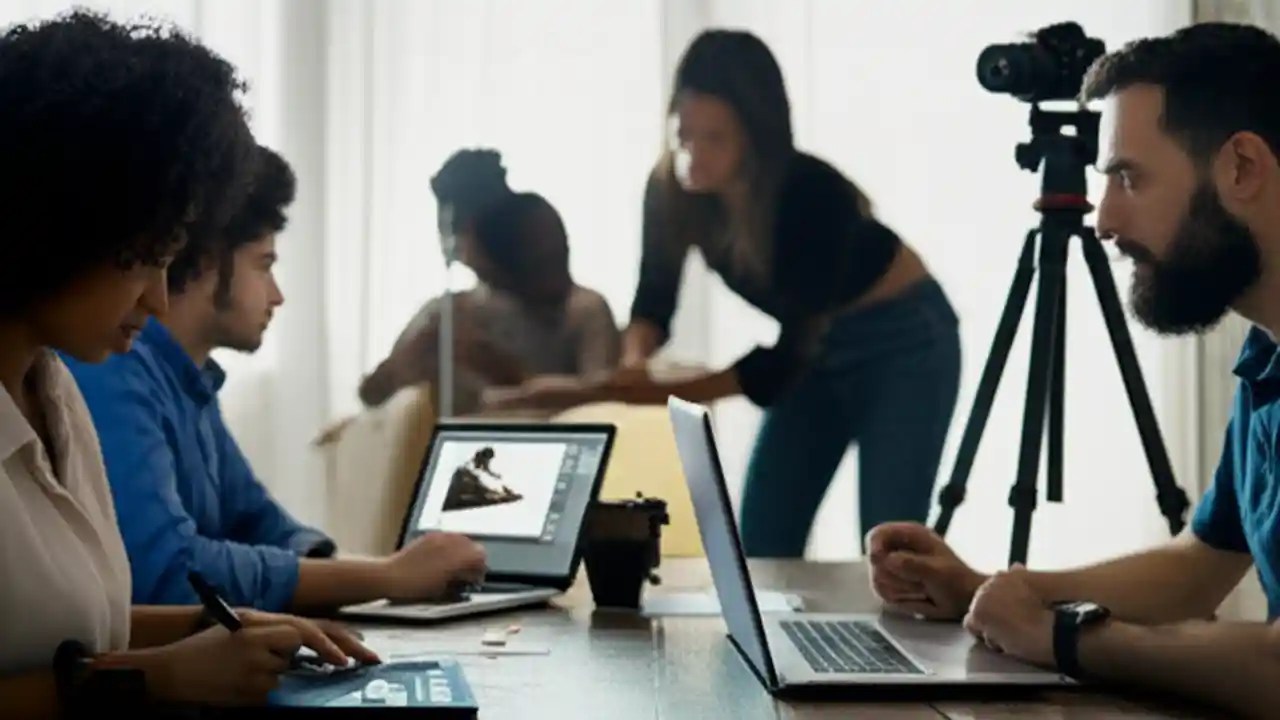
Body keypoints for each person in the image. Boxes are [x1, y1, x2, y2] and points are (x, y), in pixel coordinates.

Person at [868, 23, 1280, 720]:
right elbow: (1200, 565)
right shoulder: (1268, 355)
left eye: (1128, 176)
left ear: (1240, 167)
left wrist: (1068, 639)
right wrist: (986, 589)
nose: (1103, 217)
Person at [0, 10, 376, 716]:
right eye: (145, 257)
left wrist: (216, 628)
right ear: (61, 223)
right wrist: (154, 677)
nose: (159, 295)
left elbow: (68, 633)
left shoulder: (52, 388)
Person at [488, 30, 962, 557]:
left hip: (902, 341)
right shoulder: (671, 189)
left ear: (756, 136)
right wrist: (634, 359)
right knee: (760, 541)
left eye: (715, 138)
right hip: (812, 353)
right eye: (684, 133)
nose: (694, 154)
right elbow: (654, 300)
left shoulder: (812, 194)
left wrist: (641, 392)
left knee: (890, 544)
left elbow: (785, 361)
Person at [65, 144, 488, 612]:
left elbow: (255, 521)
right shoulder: (112, 365)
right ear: (207, 260)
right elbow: (165, 573)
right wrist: (384, 576)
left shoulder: (189, 379)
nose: (277, 294)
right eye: (265, 265)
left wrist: (359, 572)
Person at [358, 148, 621, 415]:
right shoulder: (446, 312)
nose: (456, 244)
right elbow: (372, 397)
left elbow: (604, 406)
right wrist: (406, 363)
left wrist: (505, 372)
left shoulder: (583, 310)